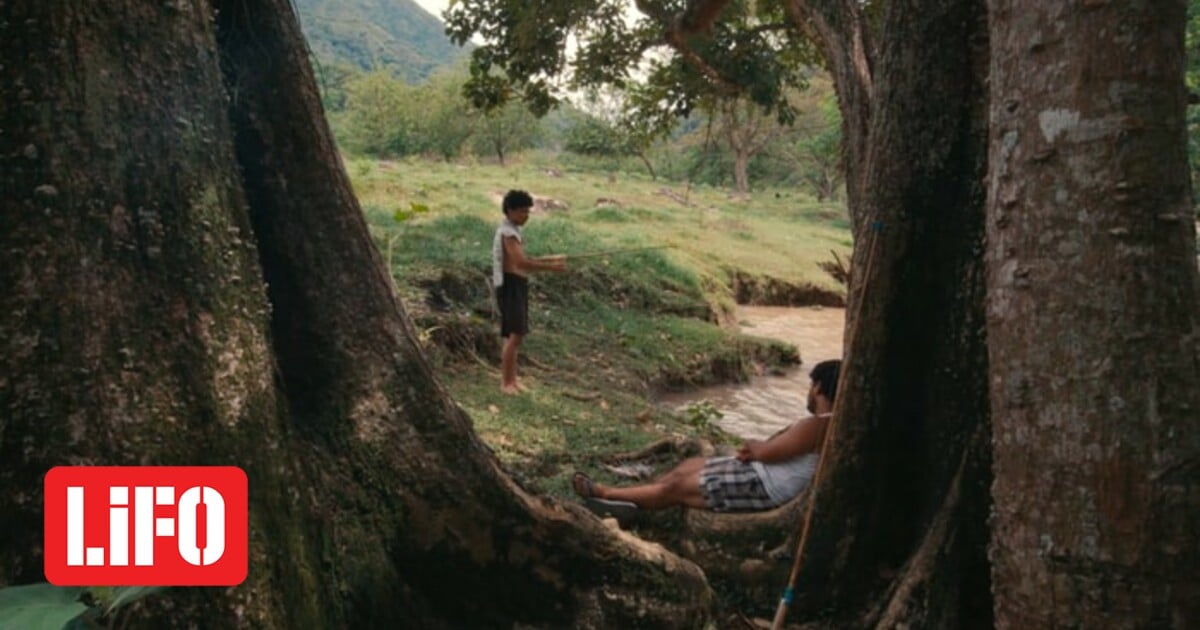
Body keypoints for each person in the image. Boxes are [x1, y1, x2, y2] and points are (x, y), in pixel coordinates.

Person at [572, 359, 841, 515]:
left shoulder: (819, 425)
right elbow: (773, 451)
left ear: (818, 388)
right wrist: (757, 450)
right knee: (688, 467)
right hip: (761, 472)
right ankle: (634, 502)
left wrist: (755, 449)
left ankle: (605, 493)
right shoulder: (822, 425)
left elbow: (768, 452)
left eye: (810, 385)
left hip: (763, 485)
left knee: (677, 488)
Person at [493, 189, 567, 394]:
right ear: (510, 211)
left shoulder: (513, 230)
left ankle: (512, 381)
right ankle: (506, 383)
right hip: (510, 286)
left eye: (528, 212)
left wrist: (550, 260)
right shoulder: (507, 233)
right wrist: (551, 268)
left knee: (516, 336)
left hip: (517, 284)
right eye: (522, 212)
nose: (526, 216)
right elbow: (520, 262)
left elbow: (520, 260)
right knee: (514, 335)